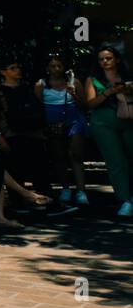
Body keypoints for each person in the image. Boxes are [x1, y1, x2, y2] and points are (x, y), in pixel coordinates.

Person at [0, 58, 56, 208]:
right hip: (12, 134)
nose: (17, 70)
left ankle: (48, 201)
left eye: (18, 67)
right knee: (16, 171)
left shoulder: (26, 88)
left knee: (40, 170)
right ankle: (20, 205)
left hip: (33, 133)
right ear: (3, 72)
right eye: (12, 68)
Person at [84, 45, 133, 217]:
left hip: (128, 120)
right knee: (115, 161)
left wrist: (127, 90)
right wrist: (108, 92)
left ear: (117, 59)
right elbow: (89, 104)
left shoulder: (127, 76)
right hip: (103, 122)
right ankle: (125, 200)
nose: (105, 61)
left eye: (108, 58)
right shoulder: (93, 78)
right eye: (101, 59)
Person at [35, 54, 89, 205]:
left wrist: (73, 94)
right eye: (53, 66)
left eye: (59, 65)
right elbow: (38, 107)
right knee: (58, 156)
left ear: (64, 68)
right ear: (47, 68)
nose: (56, 69)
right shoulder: (41, 84)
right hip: (52, 123)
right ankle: (65, 189)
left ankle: (81, 191)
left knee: (76, 154)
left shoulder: (74, 82)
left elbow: (84, 106)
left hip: (73, 120)